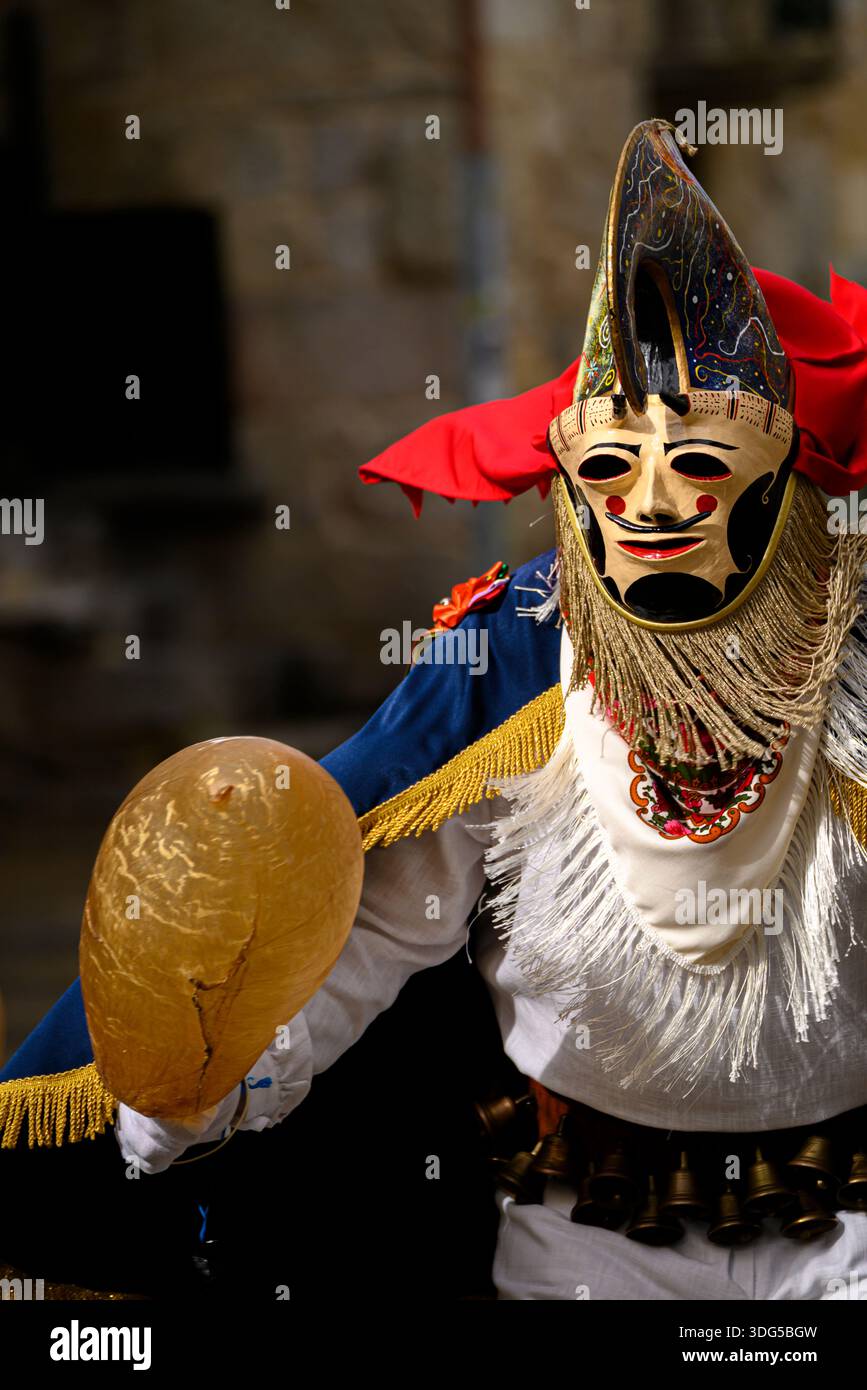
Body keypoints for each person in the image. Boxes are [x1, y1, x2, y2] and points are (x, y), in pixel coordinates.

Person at [3, 119, 867, 1301]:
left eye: (705, 466)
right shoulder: (506, 666)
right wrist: (216, 1079)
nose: (656, 502)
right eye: (611, 470)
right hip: (583, 1236)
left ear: (791, 490)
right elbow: (361, 933)